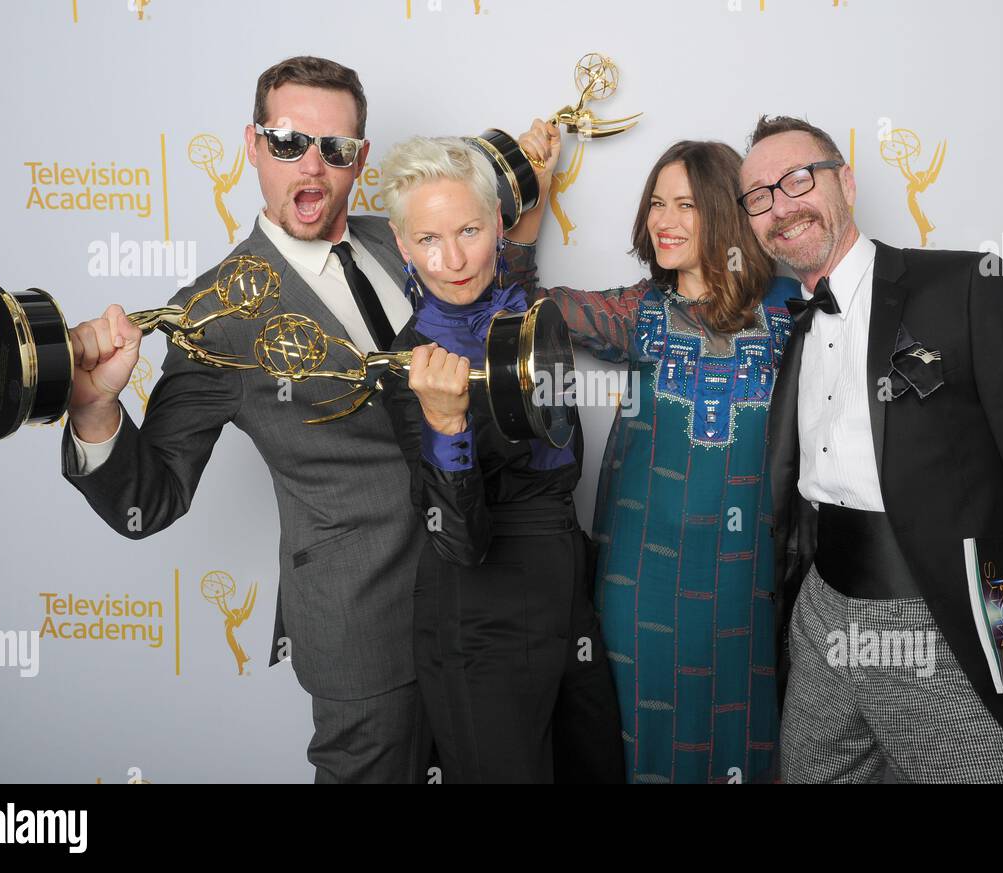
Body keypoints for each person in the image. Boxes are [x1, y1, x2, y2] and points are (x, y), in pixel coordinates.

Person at [60, 56, 429, 783]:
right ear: (253, 145)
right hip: (362, 630)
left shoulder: (408, 242)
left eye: (337, 148)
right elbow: (151, 496)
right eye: (289, 141)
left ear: (361, 158)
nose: (313, 166)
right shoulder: (216, 313)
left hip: (476, 600)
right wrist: (98, 404)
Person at [740, 114, 1003, 783]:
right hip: (823, 608)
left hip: (943, 614)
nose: (781, 207)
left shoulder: (966, 286)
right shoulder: (792, 331)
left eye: (798, 179)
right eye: (759, 197)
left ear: (845, 183)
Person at [505, 122, 800, 783]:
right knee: (634, 736)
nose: (662, 220)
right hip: (640, 577)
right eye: (656, 203)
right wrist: (535, 193)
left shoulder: (794, 309)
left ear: (726, 209)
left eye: (686, 205)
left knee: (744, 733)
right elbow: (516, 304)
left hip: (747, 574)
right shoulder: (639, 311)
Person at [378, 135, 624, 784]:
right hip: (478, 614)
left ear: (497, 225)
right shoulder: (412, 366)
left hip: (568, 595)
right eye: (428, 240)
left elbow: (509, 265)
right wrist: (446, 423)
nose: (454, 259)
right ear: (404, 246)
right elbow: (458, 540)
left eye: (469, 229)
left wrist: (532, 173)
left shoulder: (516, 300)